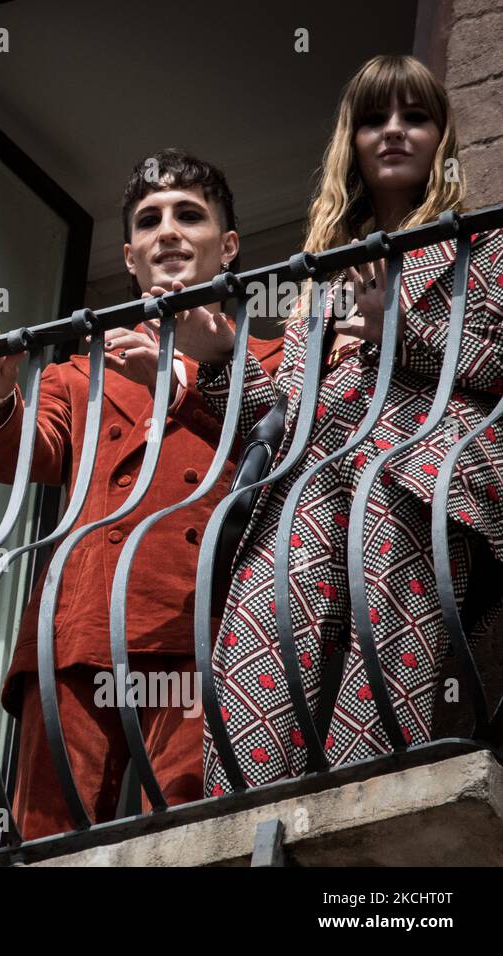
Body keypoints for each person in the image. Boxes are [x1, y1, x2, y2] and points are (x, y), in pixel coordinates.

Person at [172, 55, 503, 796]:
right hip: (306, 494)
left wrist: (399, 330)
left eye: (414, 117)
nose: (393, 132)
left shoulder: (484, 247)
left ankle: (367, 861)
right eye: (374, 119)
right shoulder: (320, 278)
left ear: (442, 137)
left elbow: (495, 365)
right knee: (261, 674)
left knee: (377, 703)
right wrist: (223, 359)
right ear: (349, 140)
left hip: (415, 488)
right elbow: (280, 421)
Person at [0, 149, 283, 835]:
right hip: (77, 631)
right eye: (150, 219)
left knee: (192, 831)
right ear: (130, 256)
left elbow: (286, 443)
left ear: (226, 248)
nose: (168, 231)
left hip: (203, 624)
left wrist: (193, 374)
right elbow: (26, 455)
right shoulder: (82, 372)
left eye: (188, 216)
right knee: (49, 837)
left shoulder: (271, 361)